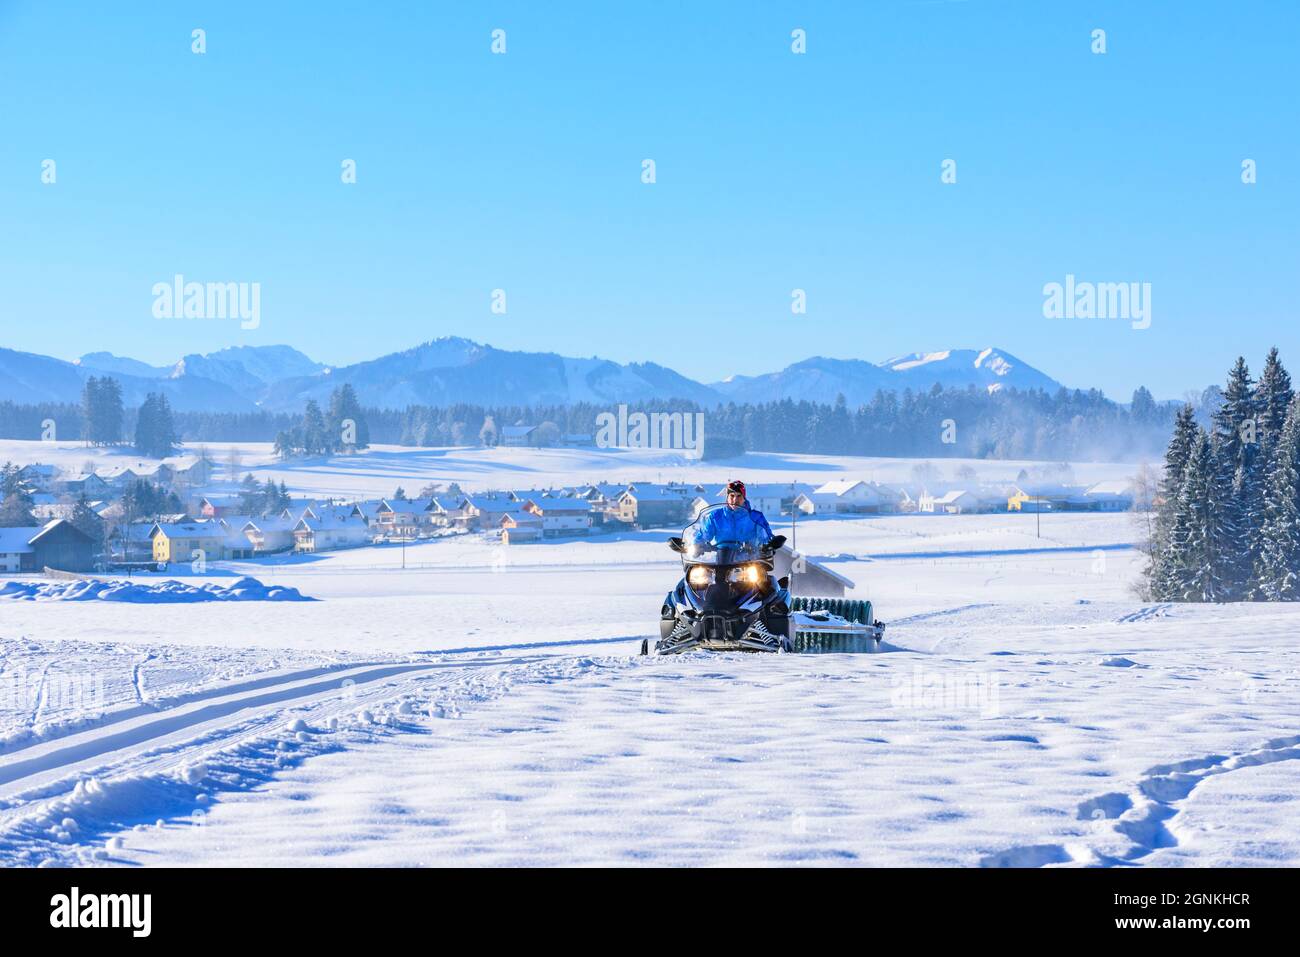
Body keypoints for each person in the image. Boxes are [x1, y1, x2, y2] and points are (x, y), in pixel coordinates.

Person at [693, 479, 774, 548]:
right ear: (727, 498)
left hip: (749, 559)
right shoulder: (715, 516)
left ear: (744, 498)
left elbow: (765, 537)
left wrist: (769, 545)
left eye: (739, 496)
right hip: (722, 560)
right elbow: (704, 535)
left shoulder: (756, 517)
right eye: (732, 495)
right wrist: (696, 546)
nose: (735, 500)